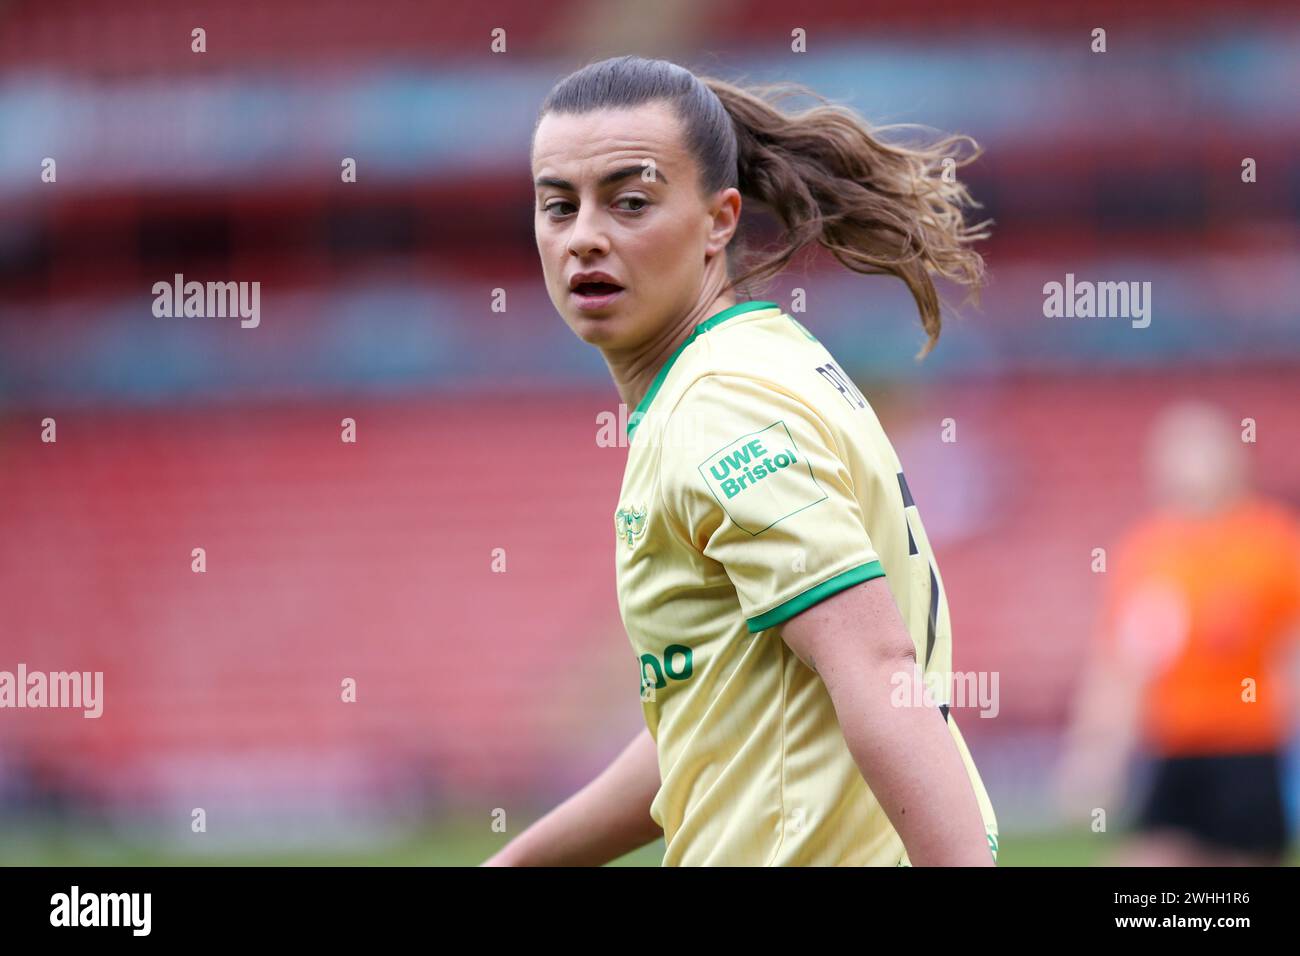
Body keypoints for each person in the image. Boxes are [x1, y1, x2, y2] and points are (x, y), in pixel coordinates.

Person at [484, 54, 997, 866]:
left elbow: (874, 664)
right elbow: (715, 713)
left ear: (720, 220)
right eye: (559, 205)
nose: (584, 236)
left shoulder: (721, 404)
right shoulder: (754, 359)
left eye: (630, 202)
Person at [1057, 400, 1300, 865]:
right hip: (1173, 751)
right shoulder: (1147, 554)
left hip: (1248, 749)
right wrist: (1095, 756)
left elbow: (1291, 654)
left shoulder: (1274, 544)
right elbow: (1121, 667)